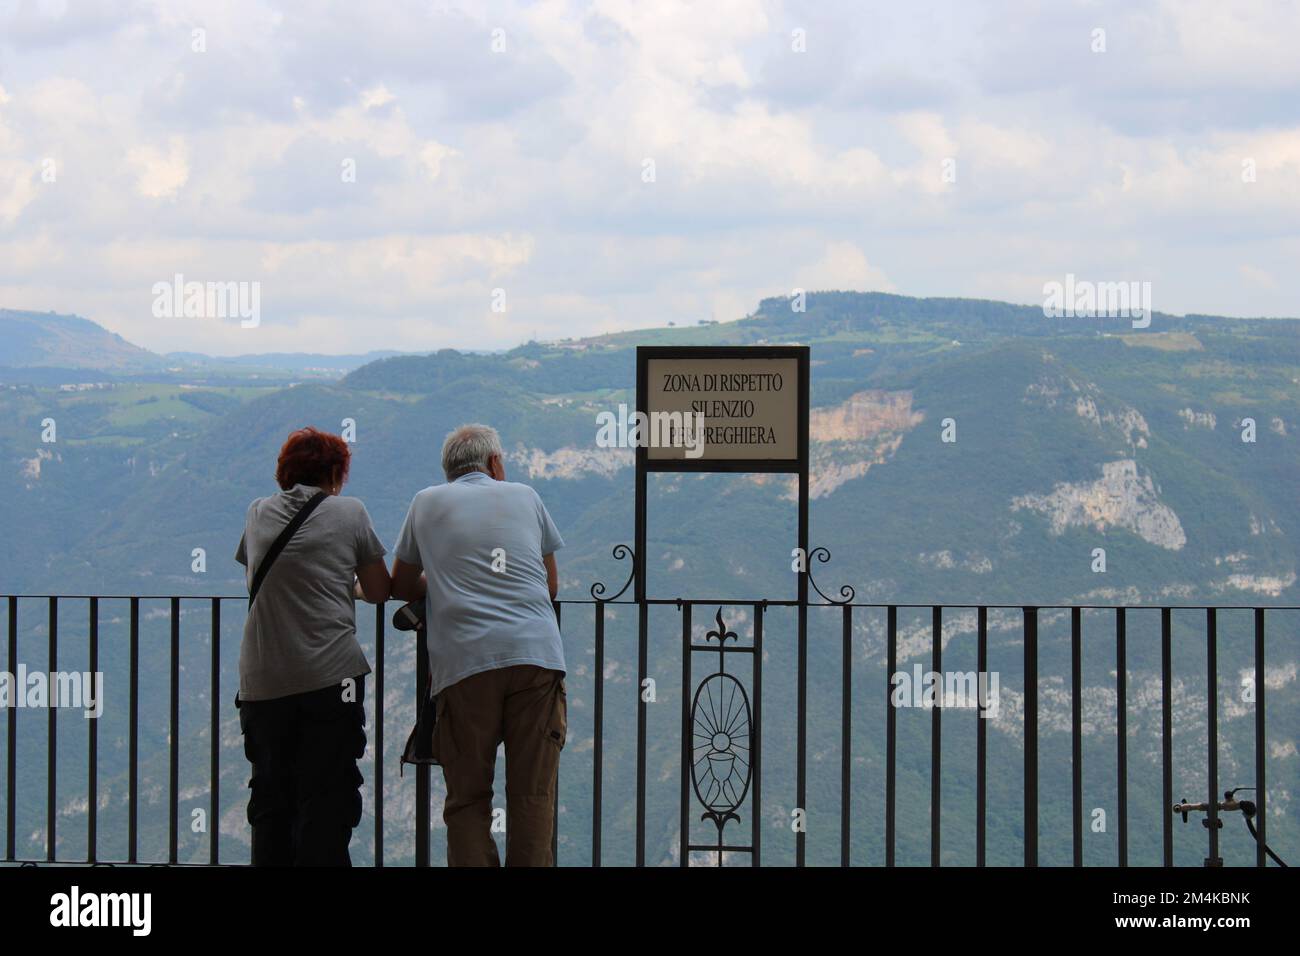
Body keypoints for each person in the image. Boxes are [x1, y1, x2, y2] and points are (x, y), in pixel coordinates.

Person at [391, 423, 566, 867]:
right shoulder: (526, 496)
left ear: (450, 470)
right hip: (536, 658)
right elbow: (550, 584)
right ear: (494, 463)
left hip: (465, 664)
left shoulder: (425, 502)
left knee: (467, 798)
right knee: (532, 795)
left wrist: (445, 579)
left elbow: (401, 584)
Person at [235, 426, 391, 866]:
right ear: (337, 473)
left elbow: (259, 575)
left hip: (263, 680)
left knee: (270, 800)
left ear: (285, 471)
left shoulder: (256, 512)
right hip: (330, 679)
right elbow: (379, 589)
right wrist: (349, 588)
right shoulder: (350, 512)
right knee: (327, 798)